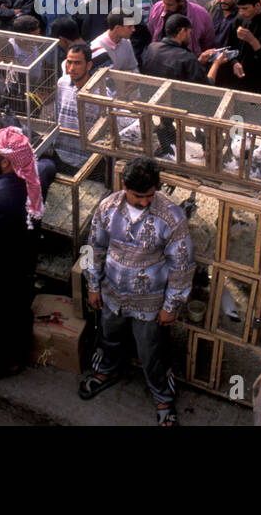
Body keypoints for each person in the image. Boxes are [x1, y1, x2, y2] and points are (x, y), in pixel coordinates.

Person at [79, 156, 194, 427]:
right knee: (109, 336)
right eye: (138, 196)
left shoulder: (171, 216)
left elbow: (183, 264)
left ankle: (163, 397)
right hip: (112, 294)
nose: (144, 202)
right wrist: (93, 286)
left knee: (150, 352)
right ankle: (106, 371)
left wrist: (171, 306)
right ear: (123, 185)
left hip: (150, 303)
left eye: (150, 196)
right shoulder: (107, 207)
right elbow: (93, 248)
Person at [0, 127, 56, 379]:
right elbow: (49, 165)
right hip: (23, 262)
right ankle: (17, 358)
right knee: (17, 309)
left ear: (5, 162)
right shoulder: (37, 180)